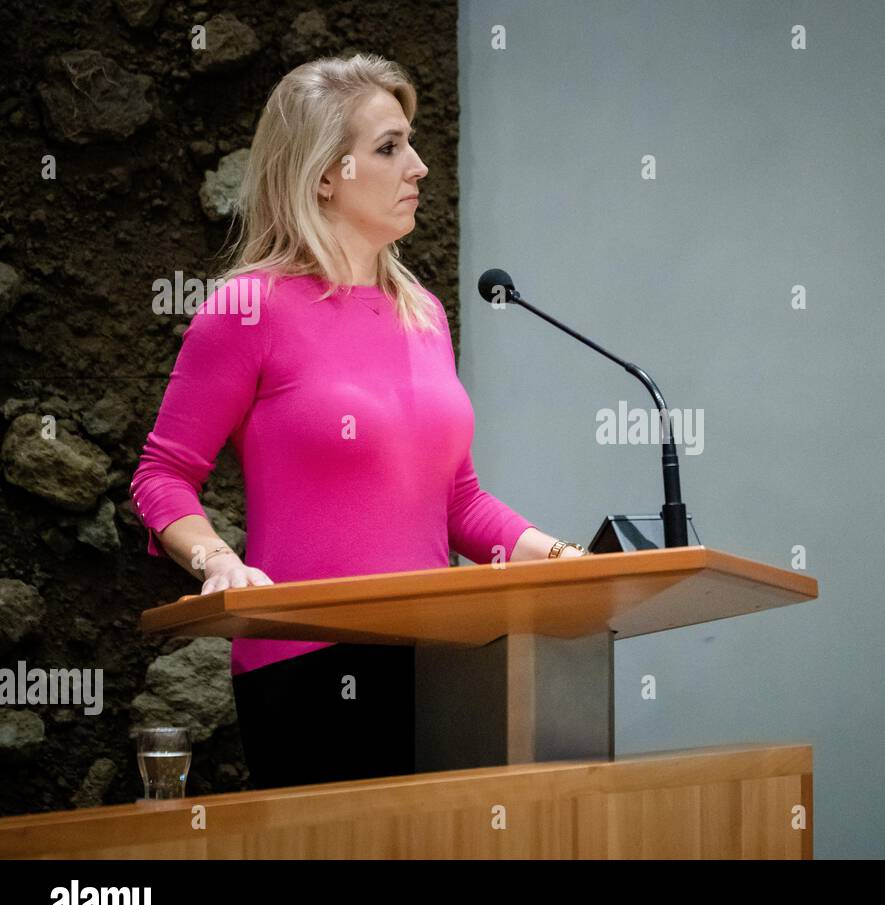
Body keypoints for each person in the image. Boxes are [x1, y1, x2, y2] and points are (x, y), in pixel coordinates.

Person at [129, 54, 587, 791]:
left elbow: (458, 502)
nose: (420, 167)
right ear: (322, 175)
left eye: (411, 143)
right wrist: (218, 562)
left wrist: (570, 563)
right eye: (390, 146)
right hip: (308, 664)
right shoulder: (248, 309)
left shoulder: (424, 314)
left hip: (444, 657)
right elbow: (162, 475)